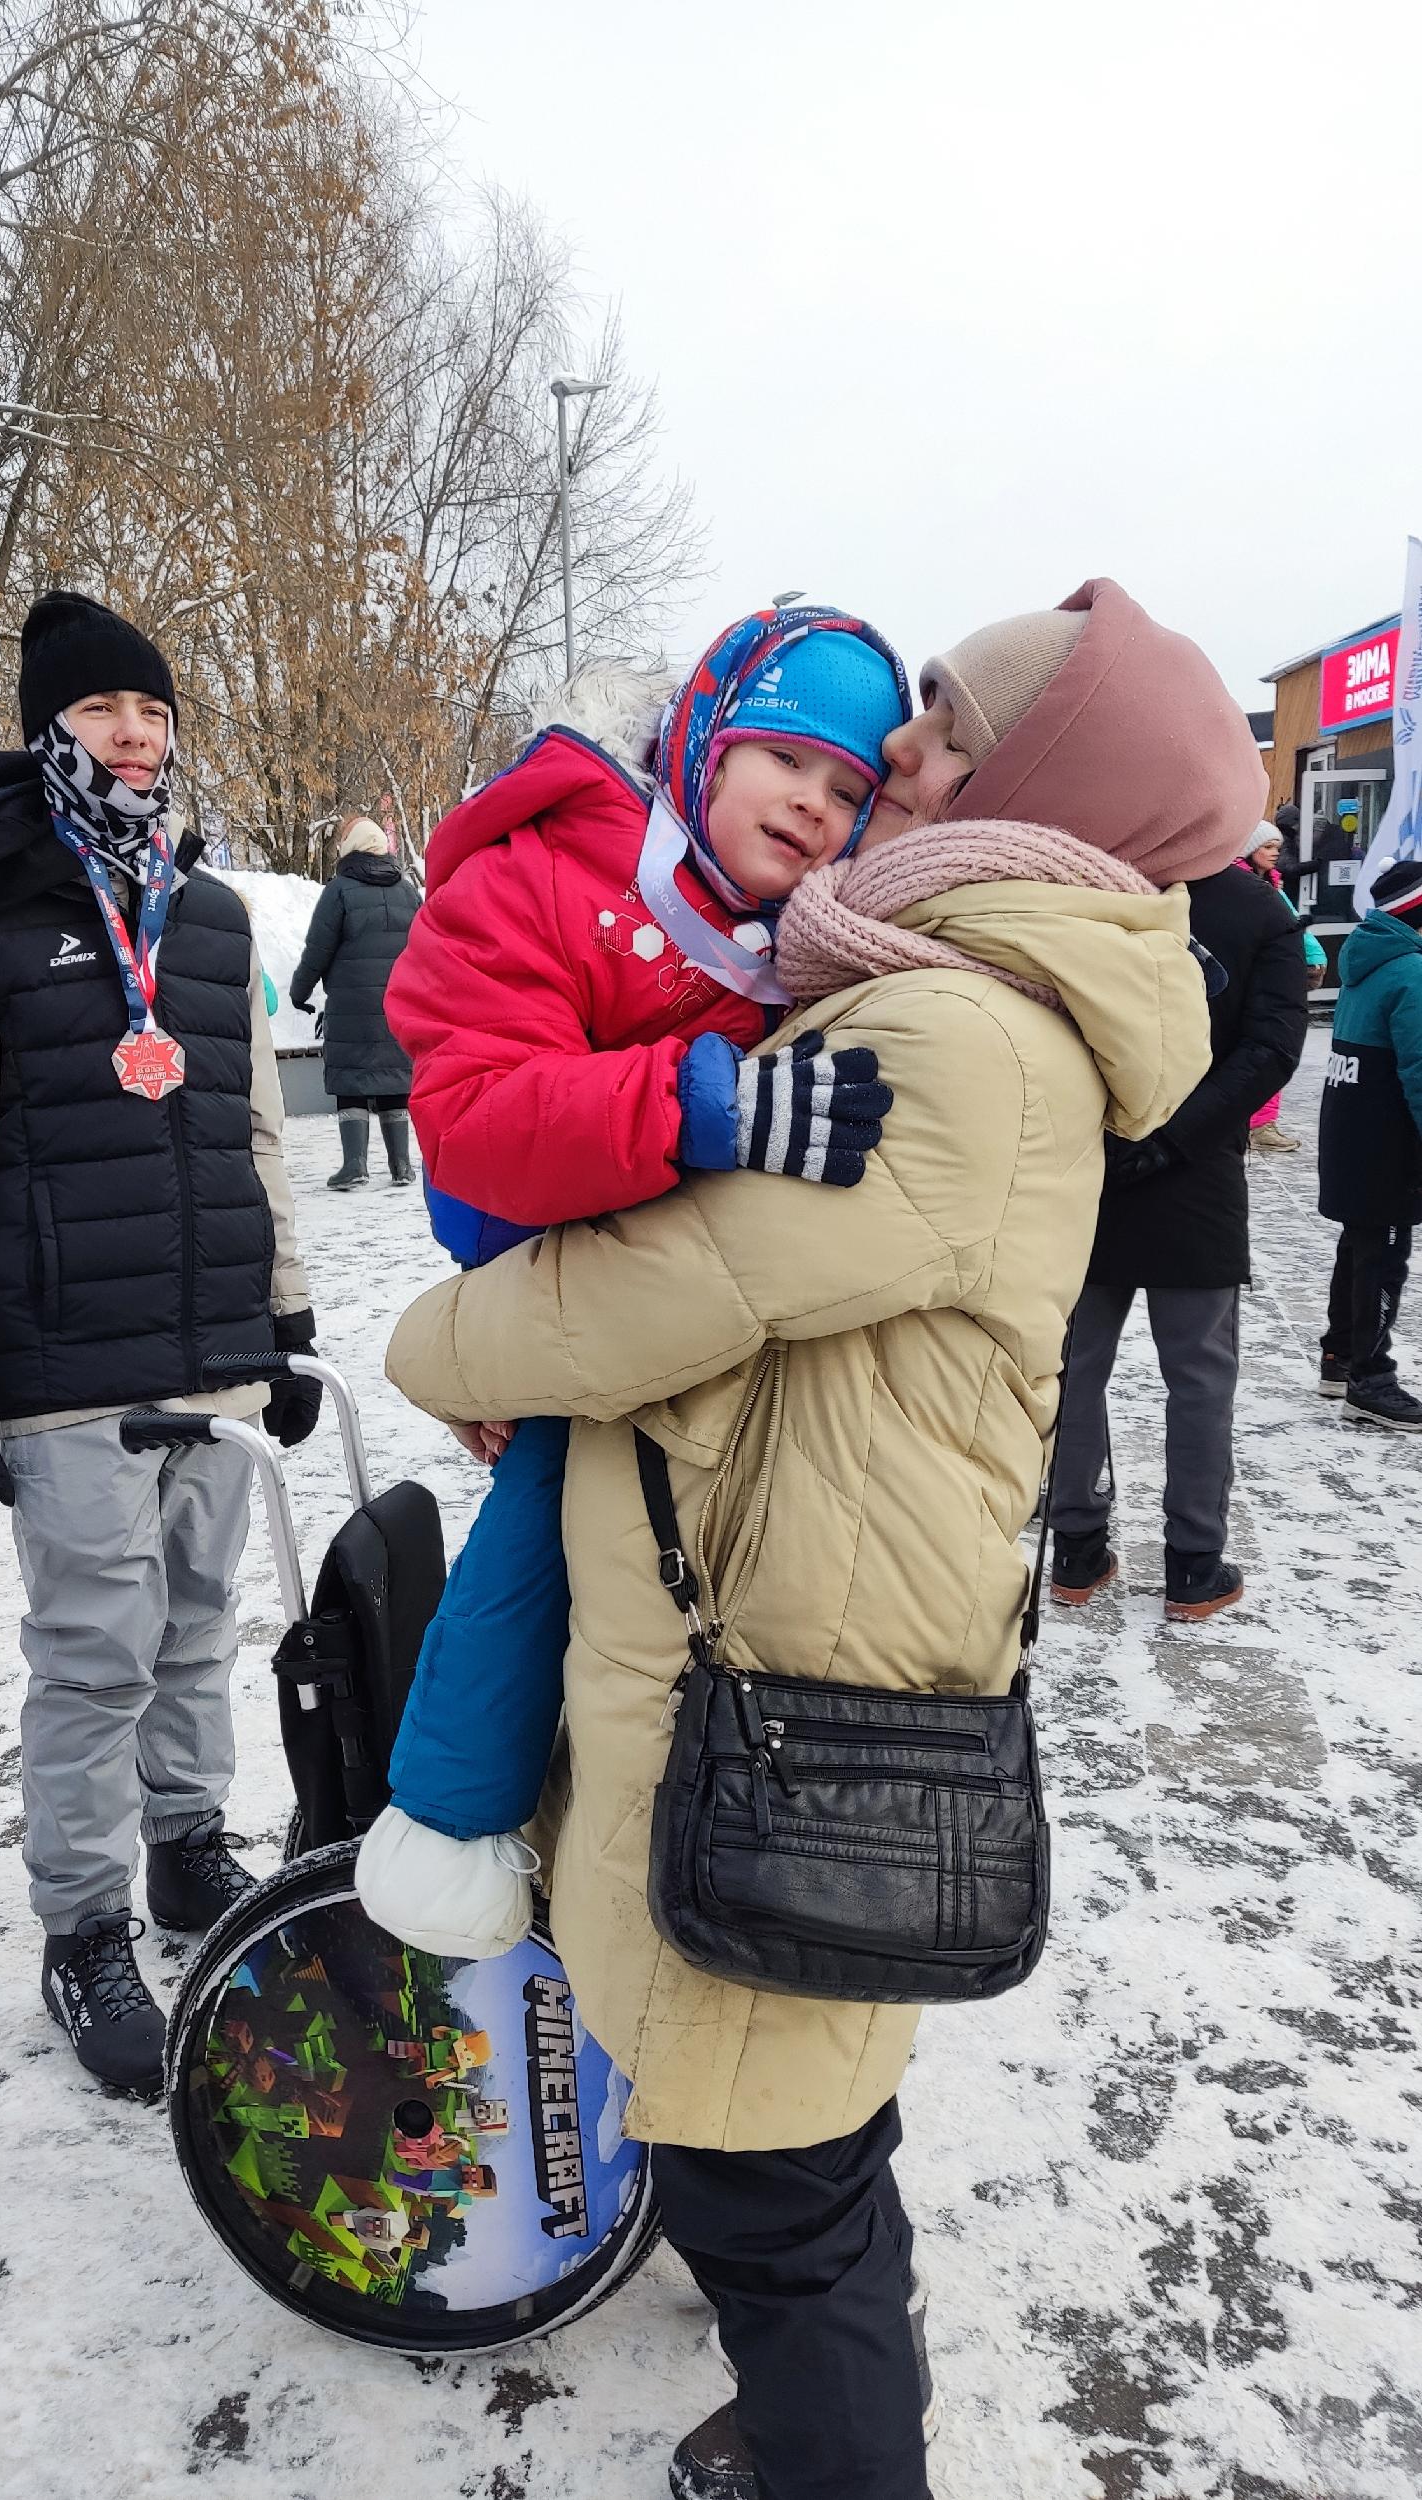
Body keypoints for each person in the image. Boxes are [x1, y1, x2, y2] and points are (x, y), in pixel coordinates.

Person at [382, 578, 1259, 2500]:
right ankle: (805, 2413)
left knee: (774, 2180)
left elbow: (658, 1289)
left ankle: (834, 2451)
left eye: (937, 733)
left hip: (789, 1683)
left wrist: (435, 1337)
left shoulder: (948, 1032)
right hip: (794, 1636)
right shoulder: (920, 984)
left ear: (1043, 780)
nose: (893, 774)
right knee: (789, 2140)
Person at [355, 608, 912, 1958]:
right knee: (544, 1507)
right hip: (527, 1243)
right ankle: (445, 1815)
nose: (817, 806)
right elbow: (479, 1114)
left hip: (653, 1298)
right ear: (709, 739)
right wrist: (708, 1108)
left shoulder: (784, 943)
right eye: (793, 760)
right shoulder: (549, 870)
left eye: (850, 790)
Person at [0, 591, 322, 2094]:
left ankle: (189, 1847)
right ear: (45, 729)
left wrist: (288, 1307)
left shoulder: (209, 913)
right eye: (100, 710)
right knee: (94, 1656)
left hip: (209, 1341)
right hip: (64, 1363)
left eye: (152, 711)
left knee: (199, 1625)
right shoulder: (0, 903)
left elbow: (256, 1122)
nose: (133, 732)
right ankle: (82, 1924)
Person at [1050, 845, 1307, 1622]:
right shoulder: (1260, 909)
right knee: (1198, 1378)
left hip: (1095, 1161)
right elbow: (1271, 1049)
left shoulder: (1097, 886)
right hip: (1198, 1177)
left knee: (1074, 1366)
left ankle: (1076, 1548)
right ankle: (1194, 1564)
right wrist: (1178, 1136)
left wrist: (1122, 1133)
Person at [1317, 855, 1422, 1428]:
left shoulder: (1367, 957)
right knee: (1384, 1256)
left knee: (1359, 1247)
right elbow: (1421, 1068)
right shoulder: (1411, 972)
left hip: (1352, 1132)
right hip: (1387, 1141)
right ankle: (1371, 1376)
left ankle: (1339, 1355)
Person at [290, 814, 418, 1190]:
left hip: (351, 1004)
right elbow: (426, 943)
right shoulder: (408, 890)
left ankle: (355, 1165)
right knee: (395, 1077)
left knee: (353, 1079)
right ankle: (402, 1166)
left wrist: (299, 992)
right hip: (398, 1004)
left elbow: (318, 948)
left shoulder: (341, 889)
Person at [1239, 825, 1325, 1152]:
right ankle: (1259, 1124)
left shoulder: (1269, 882)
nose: (1276, 852)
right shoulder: (1250, 886)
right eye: (1269, 846)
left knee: (1271, 1046)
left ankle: (1260, 1121)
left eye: (1278, 845)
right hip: (1265, 975)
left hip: (1284, 970)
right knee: (1270, 1045)